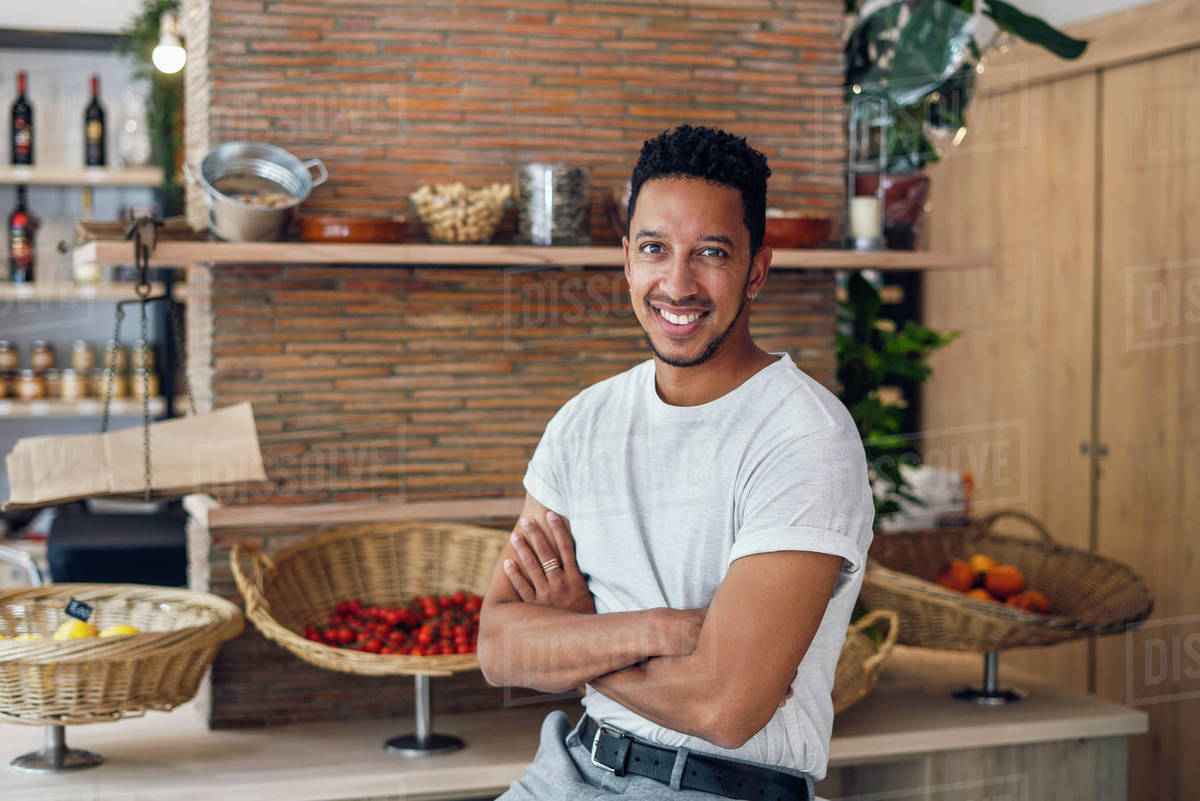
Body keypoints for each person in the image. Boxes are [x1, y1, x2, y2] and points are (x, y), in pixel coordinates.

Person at [477, 125, 874, 801]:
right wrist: (662, 630)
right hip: (566, 770)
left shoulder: (804, 438)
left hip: (721, 788)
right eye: (655, 248)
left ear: (756, 270)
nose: (677, 283)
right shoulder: (583, 422)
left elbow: (724, 707)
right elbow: (500, 648)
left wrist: (579, 637)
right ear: (627, 260)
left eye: (711, 253)